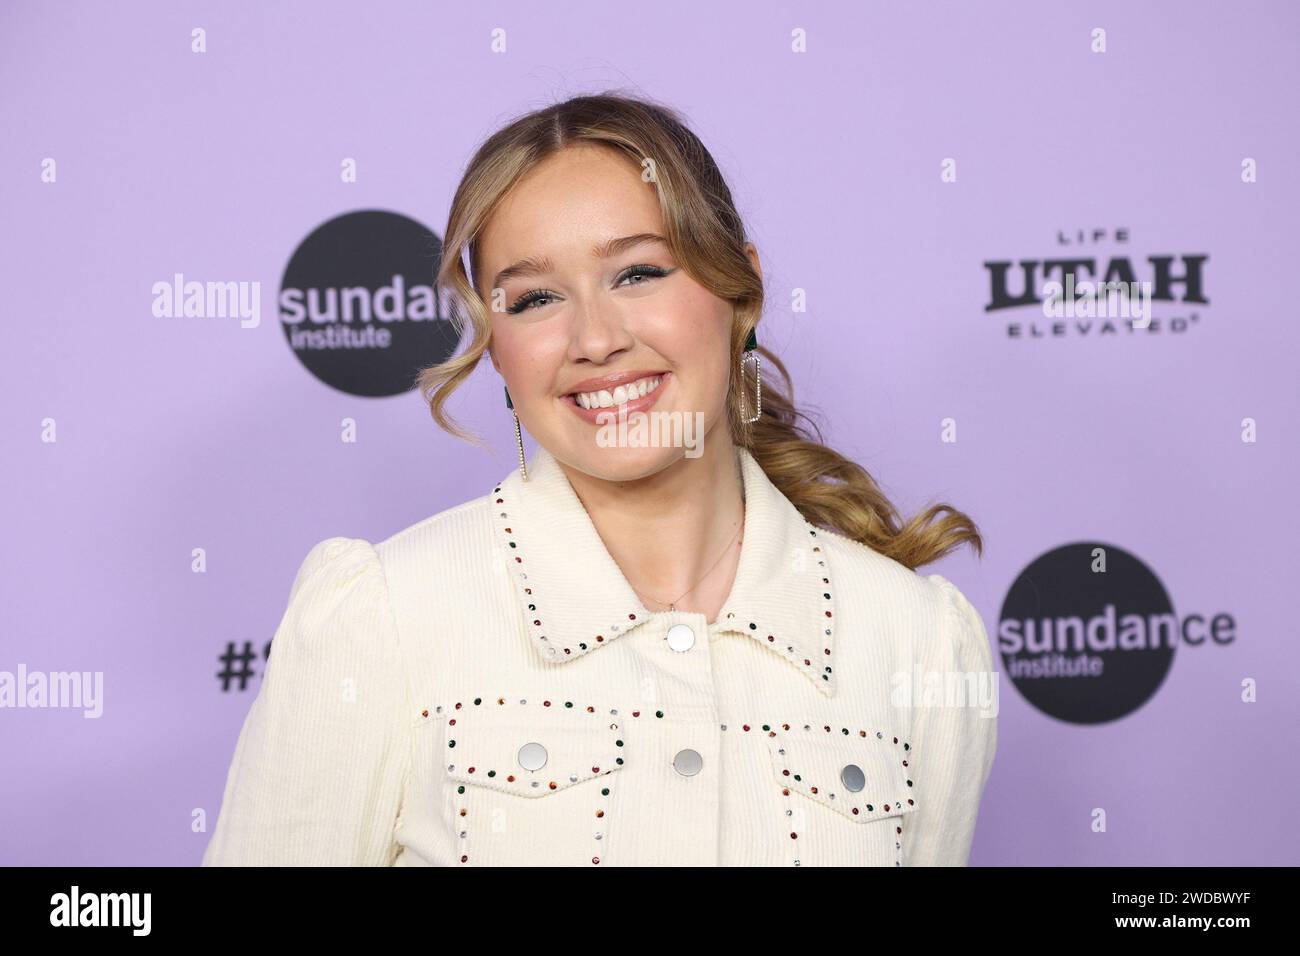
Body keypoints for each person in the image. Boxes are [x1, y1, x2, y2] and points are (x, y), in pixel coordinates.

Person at [201, 91, 997, 867]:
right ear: (495, 347)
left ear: (740, 291)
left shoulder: (916, 642)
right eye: (536, 297)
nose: (593, 339)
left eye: (638, 274)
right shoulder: (383, 618)